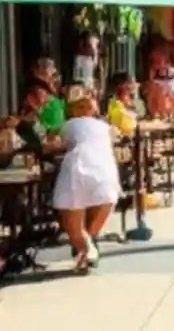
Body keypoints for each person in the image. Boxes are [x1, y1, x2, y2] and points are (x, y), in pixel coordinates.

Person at [52, 93, 122, 272]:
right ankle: (87, 249)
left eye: (86, 107)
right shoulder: (105, 127)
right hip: (104, 170)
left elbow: (55, 143)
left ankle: (86, 248)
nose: (83, 111)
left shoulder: (68, 125)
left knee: (69, 209)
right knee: (100, 206)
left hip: (78, 167)